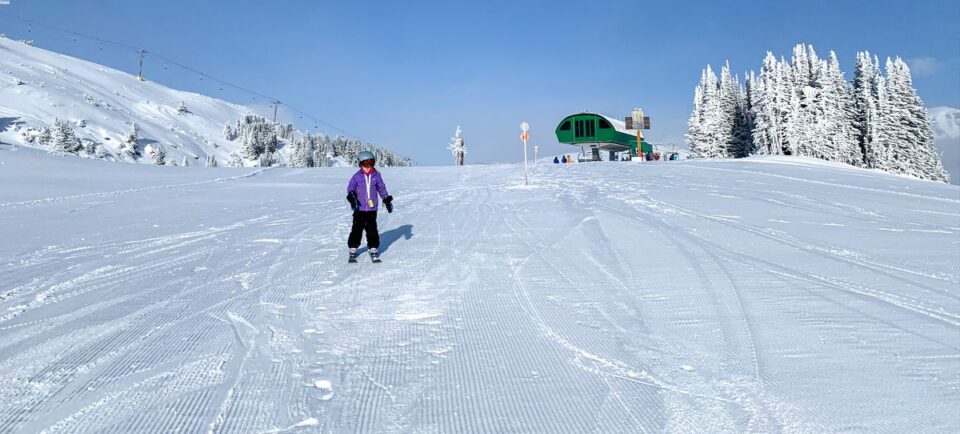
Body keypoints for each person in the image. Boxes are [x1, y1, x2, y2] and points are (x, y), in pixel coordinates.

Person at [346, 151, 392, 263]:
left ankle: (373, 248)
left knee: (372, 230)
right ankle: (353, 248)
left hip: (372, 210)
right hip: (359, 209)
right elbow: (350, 187)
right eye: (365, 163)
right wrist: (351, 195)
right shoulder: (357, 176)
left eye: (371, 163)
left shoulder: (376, 176)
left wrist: (386, 199)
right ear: (360, 164)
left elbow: (381, 188)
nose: (368, 166)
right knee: (357, 230)